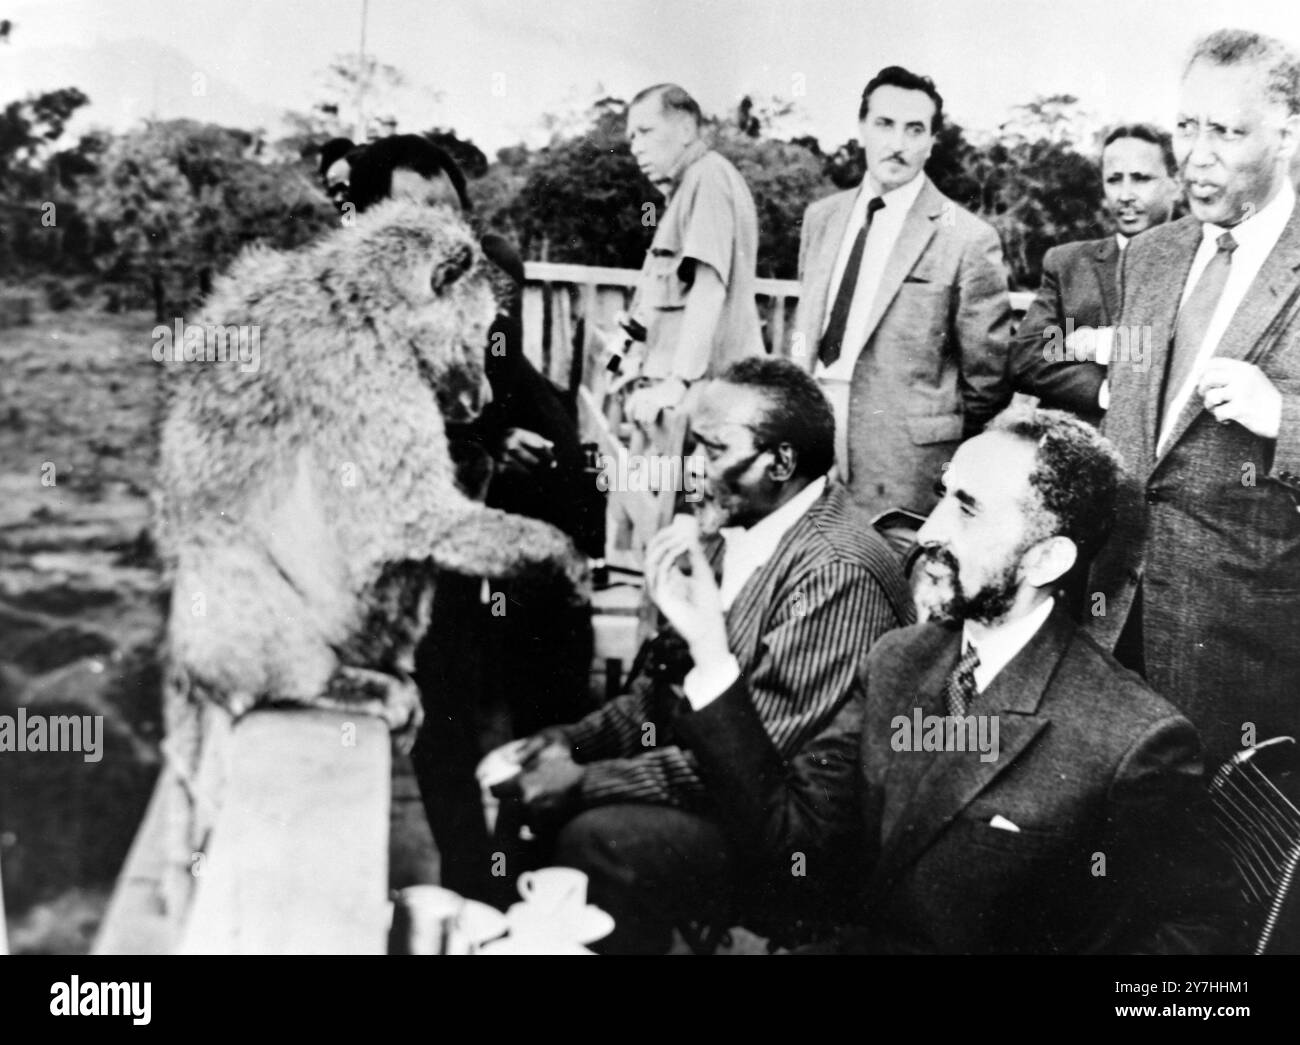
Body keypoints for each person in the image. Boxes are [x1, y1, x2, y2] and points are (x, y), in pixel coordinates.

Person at [668, 407, 1235, 953]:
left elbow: (1196, 938)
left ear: (1046, 560)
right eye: (942, 496)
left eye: (967, 510)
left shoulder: (1133, 739)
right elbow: (795, 842)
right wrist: (710, 654)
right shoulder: (897, 661)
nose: (927, 532)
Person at [492, 358, 914, 952]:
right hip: (730, 796)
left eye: (711, 451)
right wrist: (574, 742)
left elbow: (749, 764)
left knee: (601, 838)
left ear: (781, 464)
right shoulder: (738, 527)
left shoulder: (837, 572)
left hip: (790, 846)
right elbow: (658, 699)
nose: (691, 471)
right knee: (526, 798)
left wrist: (585, 782)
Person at [339, 134, 602, 899]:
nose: (443, 231)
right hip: (421, 564)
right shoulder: (349, 310)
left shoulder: (474, 295)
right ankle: (467, 884)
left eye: (451, 212)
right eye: (417, 212)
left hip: (517, 559)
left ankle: (526, 875)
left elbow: (517, 393)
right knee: (445, 731)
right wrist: (483, 438)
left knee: (543, 712)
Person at [1087, 28, 1300, 764]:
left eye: (1226, 131)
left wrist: (1285, 419)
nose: (1196, 154)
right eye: (1187, 125)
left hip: (1243, 655)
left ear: (1289, 132)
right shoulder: (1151, 255)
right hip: (1109, 625)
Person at [793, 65, 1013, 518]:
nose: (897, 144)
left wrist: (934, 437)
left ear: (932, 141)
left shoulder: (966, 237)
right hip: (813, 430)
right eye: (884, 125)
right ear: (861, 128)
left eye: (915, 130)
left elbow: (986, 380)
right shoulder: (822, 218)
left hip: (905, 456)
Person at [620, 84, 764, 442]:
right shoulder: (684, 190)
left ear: (685, 130)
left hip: (704, 399)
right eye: (631, 137)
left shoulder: (708, 178)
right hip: (682, 400)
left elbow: (709, 288)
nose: (636, 146)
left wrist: (677, 381)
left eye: (646, 132)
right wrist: (629, 352)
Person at [1011, 124, 1181, 425]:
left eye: (1141, 179)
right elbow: (1031, 355)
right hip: (1082, 448)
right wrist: (1107, 392)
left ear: (1176, 183)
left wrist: (1104, 343)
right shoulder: (1069, 264)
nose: (1125, 195)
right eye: (1114, 180)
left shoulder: (1207, 262)